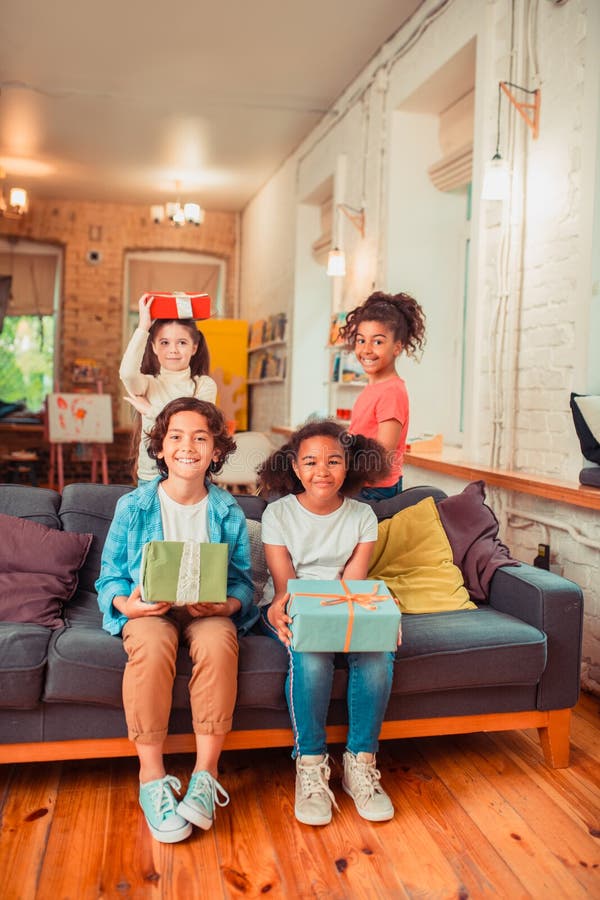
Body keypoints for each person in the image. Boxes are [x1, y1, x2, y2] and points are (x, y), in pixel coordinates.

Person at [96, 397, 257, 843]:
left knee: (220, 640)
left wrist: (227, 605)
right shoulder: (135, 506)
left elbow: (244, 583)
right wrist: (127, 606)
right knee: (150, 644)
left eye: (201, 438)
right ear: (161, 449)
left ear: (216, 451)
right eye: (176, 437)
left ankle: (205, 776)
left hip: (206, 612)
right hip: (151, 612)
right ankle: (152, 779)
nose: (188, 447)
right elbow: (109, 577)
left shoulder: (228, 511)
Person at [257, 419, 396, 827]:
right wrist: (315, 619)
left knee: (377, 652)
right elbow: (287, 589)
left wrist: (377, 622)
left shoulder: (363, 516)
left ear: (348, 465)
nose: (322, 470)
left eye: (334, 461)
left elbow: (351, 590)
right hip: (290, 605)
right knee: (312, 652)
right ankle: (311, 765)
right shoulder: (277, 514)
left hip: (342, 603)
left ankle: (360, 763)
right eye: (311, 462)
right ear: (296, 468)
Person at [339, 291, 426, 501]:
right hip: (363, 483)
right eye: (361, 341)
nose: (366, 350)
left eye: (377, 342)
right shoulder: (371, 389)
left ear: (397, 347)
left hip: (375, 490)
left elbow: (381, 454)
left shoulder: (391, 392)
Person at [121, 293, 217, 482]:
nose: (173, 350)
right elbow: (127, 374)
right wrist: (143, 327)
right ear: (154, 347)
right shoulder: (149, 383)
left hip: (191, 478)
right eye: (164, 342)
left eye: (182, 342)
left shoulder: (204, 386)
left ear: (194, 347)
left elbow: (191, 427)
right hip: (150, 477)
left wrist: (150, 410)